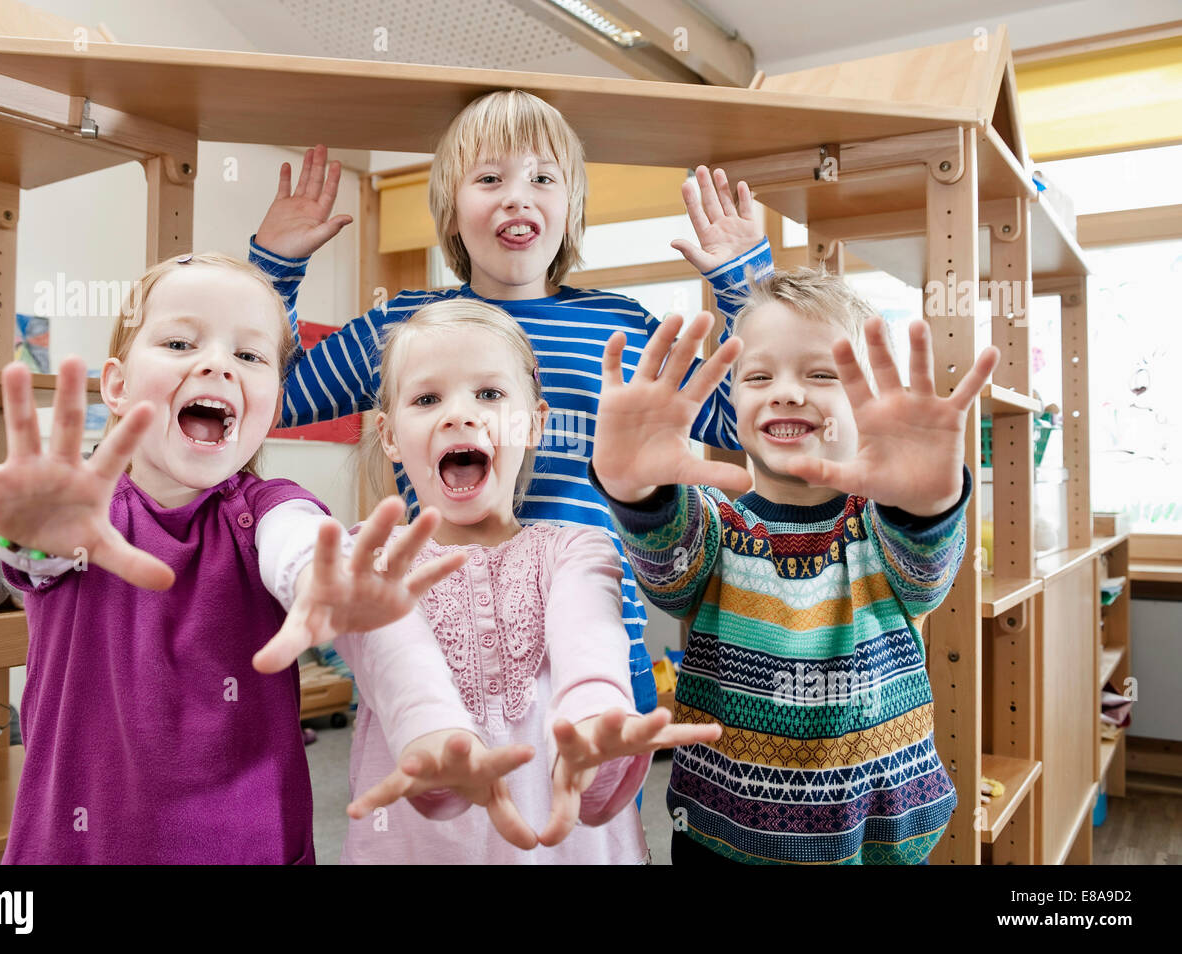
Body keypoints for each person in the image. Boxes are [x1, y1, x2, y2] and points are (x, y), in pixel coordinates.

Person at [0, 252, 464, 864]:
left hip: (249, 849)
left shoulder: (274, 511)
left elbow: (301, 547)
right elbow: (35, 553)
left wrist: (330, 584)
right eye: (180, 342)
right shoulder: (83, 514)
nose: (215, 364)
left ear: (275, 406)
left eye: (249, 356)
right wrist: (23, 529)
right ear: (118, 386)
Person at [247, 89, 774, 712]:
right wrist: (274, 268)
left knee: (596, 807)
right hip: (440, 646)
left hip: (599, 646)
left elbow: (750, 421)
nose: (516, 195)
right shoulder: (406, 323)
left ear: (570, 206)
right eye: (490, 177)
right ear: (452, 210)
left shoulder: (622, 325)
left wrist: (745, 286)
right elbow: (267, 400)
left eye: (542, 178)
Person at [589, 268, 1001, 864]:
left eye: (821, 374)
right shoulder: (718, 526)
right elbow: (669, 571)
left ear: (866, 402)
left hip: (878, 838)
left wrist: (925, 501)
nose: (785, 391)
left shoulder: (879, 525)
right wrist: (639, 493)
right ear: (732, 401)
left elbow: (926, 569)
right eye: (759, 376)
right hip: (720, 837)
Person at [330, 299, 721, 863]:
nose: (459, 415)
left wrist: (593, 723)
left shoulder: (576, 548)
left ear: (535, 422)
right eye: (427, 398)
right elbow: (393, 660)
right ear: (389, 436)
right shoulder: (366, 557)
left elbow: (590, 643)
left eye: (489, 394)